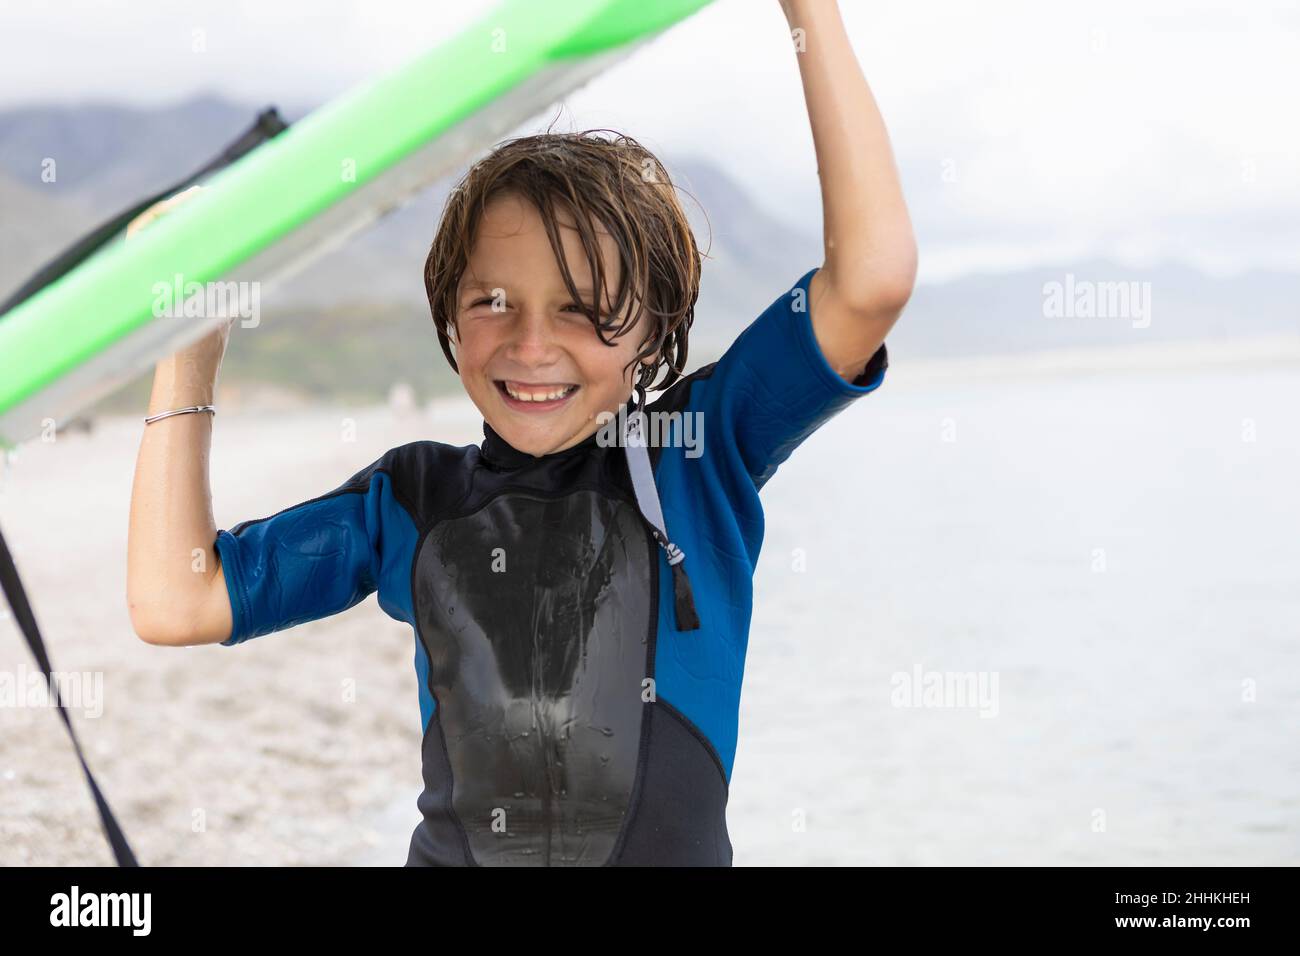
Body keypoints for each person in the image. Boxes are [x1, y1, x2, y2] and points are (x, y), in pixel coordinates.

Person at [126, 0, 916, 866]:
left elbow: (870, 281)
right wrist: (190, 334)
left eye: (582, 312)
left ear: (651, 332)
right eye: (492, 302)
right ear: (451, 320)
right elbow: (177, 601)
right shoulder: (411, 500)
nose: (532, 346)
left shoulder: (700, 453)